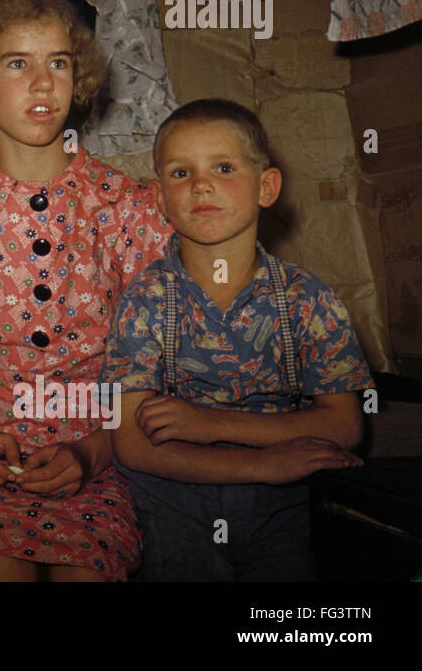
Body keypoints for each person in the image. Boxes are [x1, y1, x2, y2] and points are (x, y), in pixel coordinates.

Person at [0, 0, 170, 582]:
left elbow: (164, 365)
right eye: (18, 63)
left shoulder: (128, 207)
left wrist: (95, 451)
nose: (43, 83)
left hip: (104, 458)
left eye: (57, 63)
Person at [102, 98, 373, 581]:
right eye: (180, 173)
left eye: (223, 167)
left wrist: (211, 424)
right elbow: (132, 446)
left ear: (267, 187)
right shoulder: (143, 301)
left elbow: (345, 426)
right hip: (171, 496)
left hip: (280, 501)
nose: (201, 184)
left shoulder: (310, 300)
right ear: (161, 200)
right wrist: (257, 464)